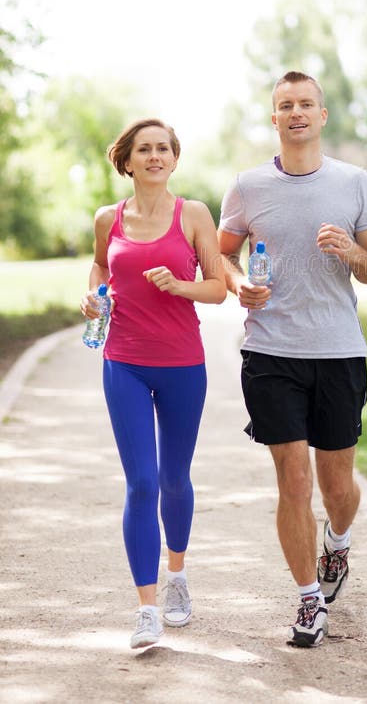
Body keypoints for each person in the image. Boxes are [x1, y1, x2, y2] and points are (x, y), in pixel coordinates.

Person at [218, 71, 367, 647]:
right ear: (274, 118)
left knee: (337, 487)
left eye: (306, 104)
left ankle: (337, 545)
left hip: (338, 350)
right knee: (293, 480)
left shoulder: (353, 182)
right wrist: (239, 283)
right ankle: (308, 601)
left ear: (322, 115)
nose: (296, 113)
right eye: (285, 105)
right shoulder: (246, 187)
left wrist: (352, 252)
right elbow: (219, 258)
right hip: (270, 350)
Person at [81, 118, 226, 649]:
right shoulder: (107, 218)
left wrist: (180, 284)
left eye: (163, 148)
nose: (155, 156)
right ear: (128, 159)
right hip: (124, 362)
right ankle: (147, 609)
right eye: (145, 149)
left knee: (173, 478)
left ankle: (179, 577)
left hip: (184, 365)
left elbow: (217, 289)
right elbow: (100, 268)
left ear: (174, 158)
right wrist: (94, 295)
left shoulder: (193, 215)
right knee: (141, 482)